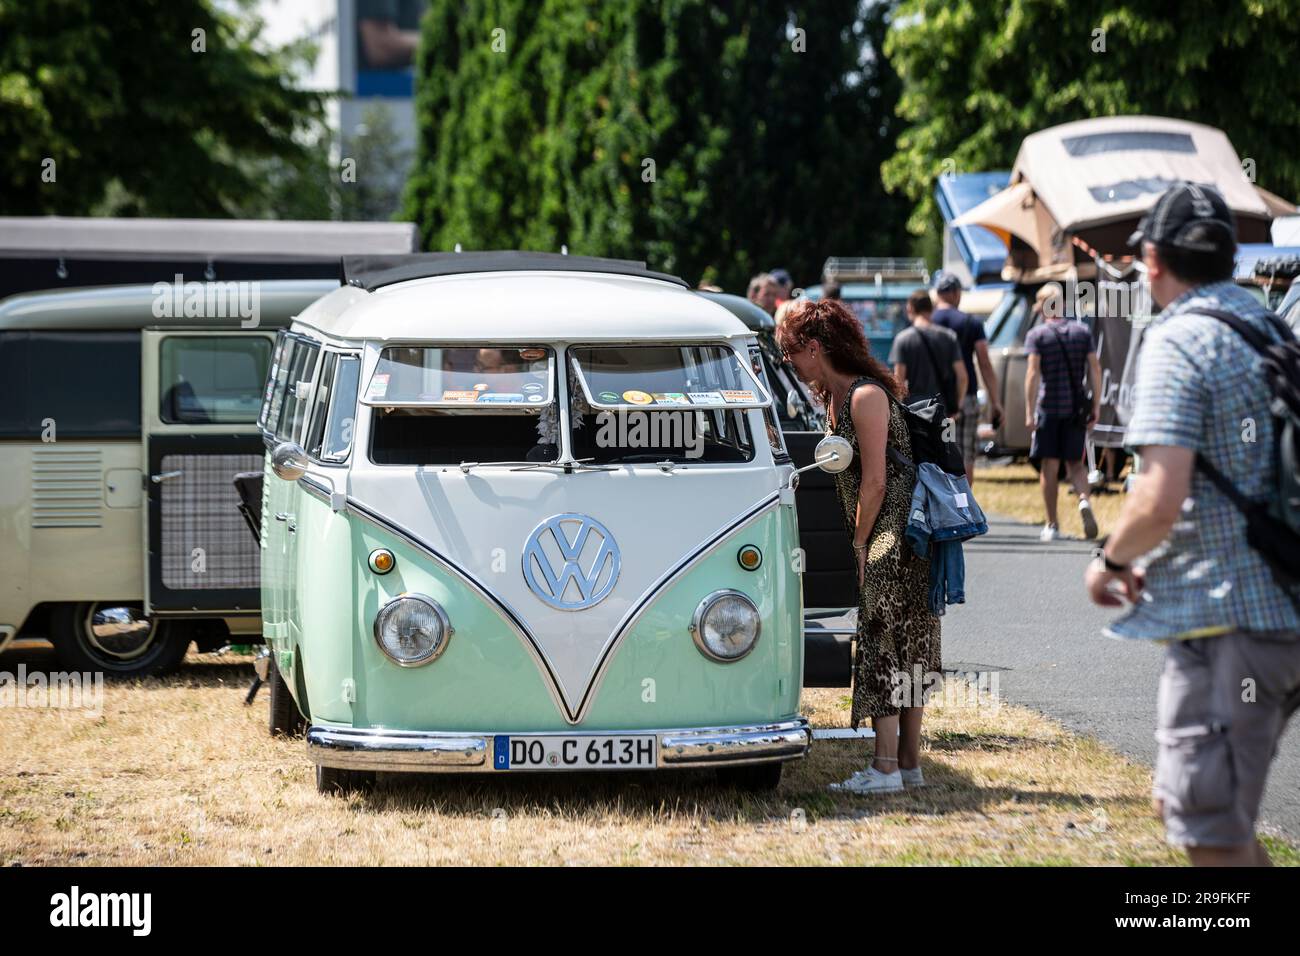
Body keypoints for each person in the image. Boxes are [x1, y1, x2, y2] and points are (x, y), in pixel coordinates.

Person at [1085, 183, 1300, 866]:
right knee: (1202, 811)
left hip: (1231, 618)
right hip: (1282, 604)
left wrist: (1111, 562)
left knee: (1208, 829)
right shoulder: (1270, 325)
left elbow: (1159, 495)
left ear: (1152, 259)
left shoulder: (1180, 339)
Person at [778, 298, 940, 794]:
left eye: (790, 354)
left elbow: (874, 483)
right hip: (901, 537)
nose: (790, 365)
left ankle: (885, 768)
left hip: (894, 535)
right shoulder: (837, 395)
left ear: (814, 347)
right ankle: (909, 764)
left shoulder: (865, 397)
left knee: (883, 647)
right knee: (911, 647)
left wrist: (860, 543)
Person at [1024, 283, 1101, 541]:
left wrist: (1028, 409)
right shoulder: (1082, 332)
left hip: (1048, 407)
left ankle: (1052, 524)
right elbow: (1095, 369)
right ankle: (1083, 499)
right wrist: (1096, 405)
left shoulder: (1037, 336)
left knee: (1049, 466)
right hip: (1075, 408)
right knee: (1076, 465)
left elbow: (1033, 374)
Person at [931, 271, 1003, 485]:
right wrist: (995, 401)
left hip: (933, 401)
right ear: (955, 293)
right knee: (965, 455)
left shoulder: (927, 322)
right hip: (966, 398)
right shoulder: (970, 323)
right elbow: (984, 363)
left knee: (939, 452)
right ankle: (963, 507)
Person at [890, 289, 967, 411]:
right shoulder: (949, 336)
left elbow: (899, 381)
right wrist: (956, 406)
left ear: (910, 308)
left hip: (915, 411)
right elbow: (962, 377)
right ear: (932, 309)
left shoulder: (902, 339)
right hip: (942, 409)